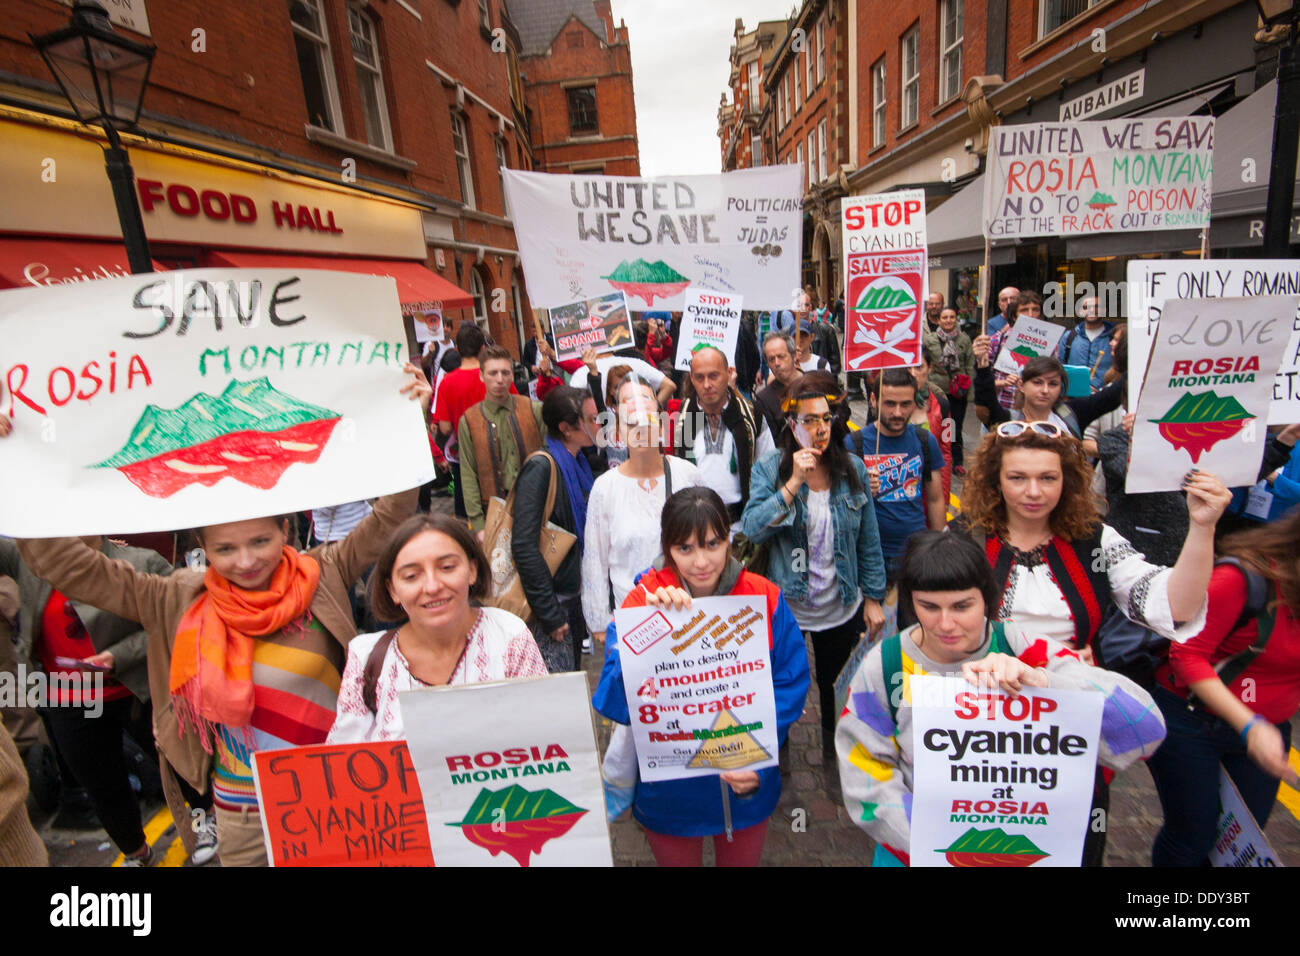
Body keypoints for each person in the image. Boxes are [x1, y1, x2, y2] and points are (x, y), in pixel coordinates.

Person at [12, 365, 432, 866]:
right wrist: (13, 464)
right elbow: (67, 565)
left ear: (287, 532)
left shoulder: (325, 573)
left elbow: (393, 513)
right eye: (226, 548)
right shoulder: (170, 597)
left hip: (338, 788)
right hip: (242, 806)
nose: (247, 560)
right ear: (203, 550)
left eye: (261, 541)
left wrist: (411, 419)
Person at [836, 530, 1166, 867]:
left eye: (962, 606)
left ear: (987, 599)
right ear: (910, 602)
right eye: (929, 606)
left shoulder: (1026, 649)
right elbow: (864, 771)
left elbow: (1144, 729)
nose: (946, 623)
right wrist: (937, 845)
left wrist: (1043, 683)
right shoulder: (885, 665)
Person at [592, 487, 811, 866]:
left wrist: (756, 755)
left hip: (746, 782)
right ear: (667, 547)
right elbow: (615, 700)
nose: (702, 562)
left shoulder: (764, 598)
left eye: (713, 543)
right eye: (685, 548)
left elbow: (790, 683)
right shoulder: (641, 602)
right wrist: (648, 634)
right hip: (670, 792)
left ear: (730, 538)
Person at [0, 537, 220, 866]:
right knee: (100, 782)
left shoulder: (141, 561)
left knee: (183, 762)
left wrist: (118, 656)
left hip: (139, 689)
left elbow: (177, 621)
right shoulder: (30, 562)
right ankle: (134, 850)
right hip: (70, 697)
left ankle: (206, 822)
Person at [741, 371, 887, 755]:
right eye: (808, 420)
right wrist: (792, 483)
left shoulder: (852, 467)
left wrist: (873, 597)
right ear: (792, 424)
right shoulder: (772, 467)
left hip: (840, 606)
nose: (820, 429)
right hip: (787, 609)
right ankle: (779, 752)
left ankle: (835, 752)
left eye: (826, 418)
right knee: (781, 687)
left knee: (837, 688)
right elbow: (754, 529)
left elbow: (868, 537)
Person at [1147, 510, 1300, 866]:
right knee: (1192, 837)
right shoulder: (1244, 578)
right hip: (1192, 720)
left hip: (1268, 729)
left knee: (1240, 840)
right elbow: (1186, 654)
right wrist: (1250, 724)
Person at [326, 514, 548, 743]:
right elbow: (345, 759)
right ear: (392, 589)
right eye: (412, 576)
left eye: (447, 567)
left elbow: (545, 736)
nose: (432, 586)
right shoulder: (366, 658)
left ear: (472, 570)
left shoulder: (508, 636)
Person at [582, 376, 705, 646]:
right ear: (619, 431)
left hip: (687, 617)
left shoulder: (688, 475)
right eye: (631, 423)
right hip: (633, 624)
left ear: (661, 426)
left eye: (647, 421)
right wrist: (600, 622)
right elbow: (595, 560)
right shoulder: (605, 489)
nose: (640, 430)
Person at [512, 387, 599, 672]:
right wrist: (549, 612)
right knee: (556, 685)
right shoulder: (541, 467)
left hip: (571, 596)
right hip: (550, 604)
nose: (600, 425)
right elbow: (523, 545)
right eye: (591, 419)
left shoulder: (579, 462)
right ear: (566, 428)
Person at [847, 368, 946, 588]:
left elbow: (935, 499)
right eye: (890, 404)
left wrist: (940, 546)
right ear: (873, 400)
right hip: (870, 556)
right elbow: (840, 503)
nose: (898, 412)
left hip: (915, 553)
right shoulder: (854, 444)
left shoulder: (924, 440)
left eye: (905, 404)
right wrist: (862, 491)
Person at [671, 344, 774, 532]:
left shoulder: (752, 416)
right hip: (695, 529)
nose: (707, 384)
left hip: (741, 530)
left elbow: (769, 471)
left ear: (729, 373)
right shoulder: (684, 416)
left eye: (713, 376)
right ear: (691, 378)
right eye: (699, 377)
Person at [457, 344, 545, 532]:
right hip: (494, 512)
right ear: (481, 376)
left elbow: (550, 459)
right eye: (493, 373)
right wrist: (479, 525)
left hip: (535, 508)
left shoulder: (532, 409)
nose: (500, 380)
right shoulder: (469, 420)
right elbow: (468, 474)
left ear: (512, 376)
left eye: (505, 373)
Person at [433, 323, 517, 518]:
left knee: (468, 515)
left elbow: (444, 428)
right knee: (503, 512)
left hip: (465, 459)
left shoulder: (447, 382)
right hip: (501, 455)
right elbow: (517, 410)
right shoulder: (497, 378)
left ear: (456, 349)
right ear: (482, 349)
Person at [973, 344, 1124, 439]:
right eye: (1037, 382)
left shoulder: (1072, 415)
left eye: (1053, 384)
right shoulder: (1007, 421)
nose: (1045, 390)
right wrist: (982, 365)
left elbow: (1113, 395)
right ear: (1021, 385)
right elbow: (985, 404)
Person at [925, 306, 974, 476]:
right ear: (939, 320)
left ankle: (957, 461)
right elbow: (925, 362)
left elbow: (969, 365)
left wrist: (971, 393)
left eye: (952, 317)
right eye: (945, 317)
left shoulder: (964, 340)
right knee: (938, 424)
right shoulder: (930, 340)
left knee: (956, 426)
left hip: (958, 390)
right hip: (937, 389)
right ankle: (937, 457)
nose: (948, 321)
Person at [984, 291, 1044, 412]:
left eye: (1035, 309)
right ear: (1014, 316)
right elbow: (982, 380)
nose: (1030, 315)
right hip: (1001, 408)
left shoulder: (1050, 344)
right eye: (1024, 310)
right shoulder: (997, 340)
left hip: (1034, 411)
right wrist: (1003, 382)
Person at [910, 351, 954, 504]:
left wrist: (944, 497)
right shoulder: (887, 406)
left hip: (929, 489)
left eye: (918, 367)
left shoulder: (943, 404)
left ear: (929, 368)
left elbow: (947, 452)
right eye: (907, 368)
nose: (913, 374)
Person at [1057, 296, 1116, 391]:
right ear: (1080, 311)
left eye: (1097, 306)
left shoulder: (1114, 338)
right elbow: (1059, 368)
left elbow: (1122, 370)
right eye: (1086, 307)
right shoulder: (1069, 337)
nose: (1092, 310)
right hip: (1074, 397)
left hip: (1106, 398)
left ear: (1105, 310)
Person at [755, 331, 801, 442]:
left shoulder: (817, 381)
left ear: (794, 356)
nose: (776, 363)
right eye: (771, 359)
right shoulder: (764, 400)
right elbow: (772, 442)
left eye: (781, 356)